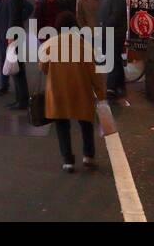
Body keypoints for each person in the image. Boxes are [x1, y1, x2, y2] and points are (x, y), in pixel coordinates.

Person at [40, 10, 106, 172]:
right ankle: (88, 156)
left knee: (62, 125)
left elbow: (43, 67)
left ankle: (68, 161)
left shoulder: (49, 45)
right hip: (81, 90)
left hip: (58, 91)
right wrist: (101, 94)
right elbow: (94, 73)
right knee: (86, 122)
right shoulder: (84, 44)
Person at [0, 0, 32, 111]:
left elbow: (13, 15)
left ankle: (23, 100)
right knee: (17, 68)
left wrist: (11, 35)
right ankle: (20, 99)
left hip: (14, 37)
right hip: (13, 35)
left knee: (17, 69)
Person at [97, 0, 128, 98]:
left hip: (114, 32)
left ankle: (111, 87)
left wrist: (105, 26)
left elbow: (116, 15)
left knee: (112, 59)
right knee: (115, 58)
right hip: (108, 31)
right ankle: (119, 85)